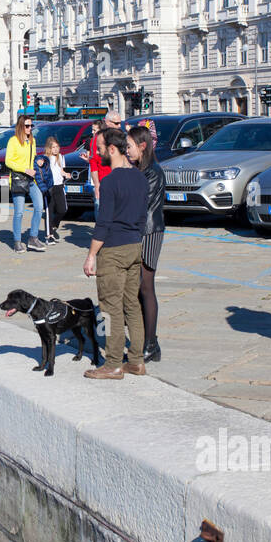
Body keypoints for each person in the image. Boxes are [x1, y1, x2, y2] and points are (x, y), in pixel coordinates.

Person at [82, 128, 146, 379]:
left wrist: (91, 255)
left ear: (111, 149)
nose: (97, 154)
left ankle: (113, 363)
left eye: (99, 149)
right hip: (134, 246)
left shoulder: (109, 181)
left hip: (113, 250)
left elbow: (104, 223)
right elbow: (143, 216)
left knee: (110, 308)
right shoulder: (140, 178)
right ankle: (137, 361)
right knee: (132, 304)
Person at [126, 124, 166, 363]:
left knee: (145, 287)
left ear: (142, 146)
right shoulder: (140, 168)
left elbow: (142, 206)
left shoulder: (152, 171)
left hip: (149, 232)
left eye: (129, 146)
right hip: (140, 231)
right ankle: (148, 341)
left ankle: (150, 343)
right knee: (140, 287)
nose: (127, 151)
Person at [6, 115, 45, 253]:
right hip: (18, 179)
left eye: (31, 126)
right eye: (27, 126)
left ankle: (33, 238)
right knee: (19, 212)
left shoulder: (32, 141)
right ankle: (17, 241)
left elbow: (32, 158)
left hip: (31, 179)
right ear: (21, 126)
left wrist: (38, 161)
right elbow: (8, 161)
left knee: (39, 206)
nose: (29, 128)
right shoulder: (13, 141)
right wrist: (25, 169)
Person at [36, 136, 67, 244]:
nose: (56, 149)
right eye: (53, 147)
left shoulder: (61, 157)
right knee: (49, 211)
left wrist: (66, 174)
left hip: (59, 186)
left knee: (63, 209)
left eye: (57, 147)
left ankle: (54, 225)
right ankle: (49, 236)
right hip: (49, 187)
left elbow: (61, 171)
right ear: (49, 148)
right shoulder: (45, 158)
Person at [89, 110, 123, 208]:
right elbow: (93, 163)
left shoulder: (121, 137)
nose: (119, 126)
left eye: (120, 123)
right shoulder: (98, 138)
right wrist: (96, 185)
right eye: (116, 123)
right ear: (107, 122)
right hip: (104, 182)